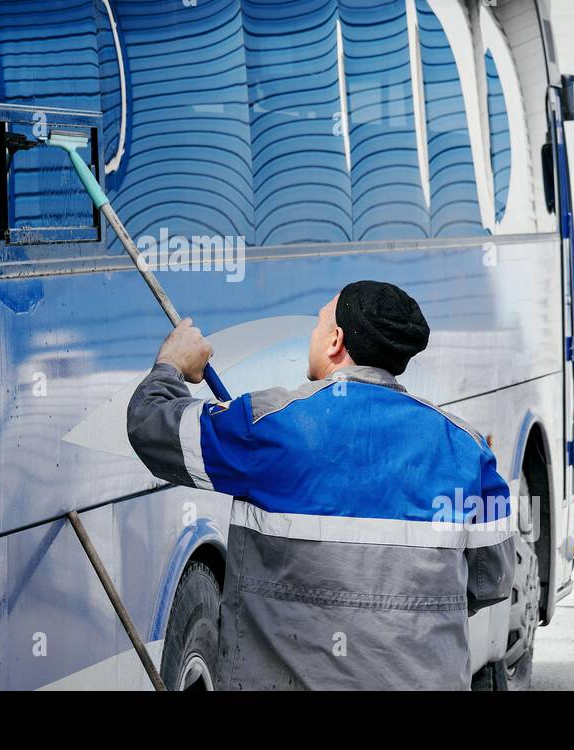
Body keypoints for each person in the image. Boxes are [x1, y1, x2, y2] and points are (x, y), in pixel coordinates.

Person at [126, 280, 515, 690]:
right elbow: (491, 581)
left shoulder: (268, 427)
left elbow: (150, 425)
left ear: (335, 341)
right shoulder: (466, 451)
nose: (313, 334)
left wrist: (171, 365)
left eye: (318, 324)